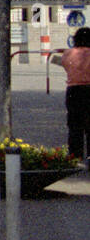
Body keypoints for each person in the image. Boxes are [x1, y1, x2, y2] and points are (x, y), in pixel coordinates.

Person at [51, 27, 90, 165]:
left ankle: (75, 157)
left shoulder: (68, 53)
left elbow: (62, 63)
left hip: (74, 91)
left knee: (75, 125)